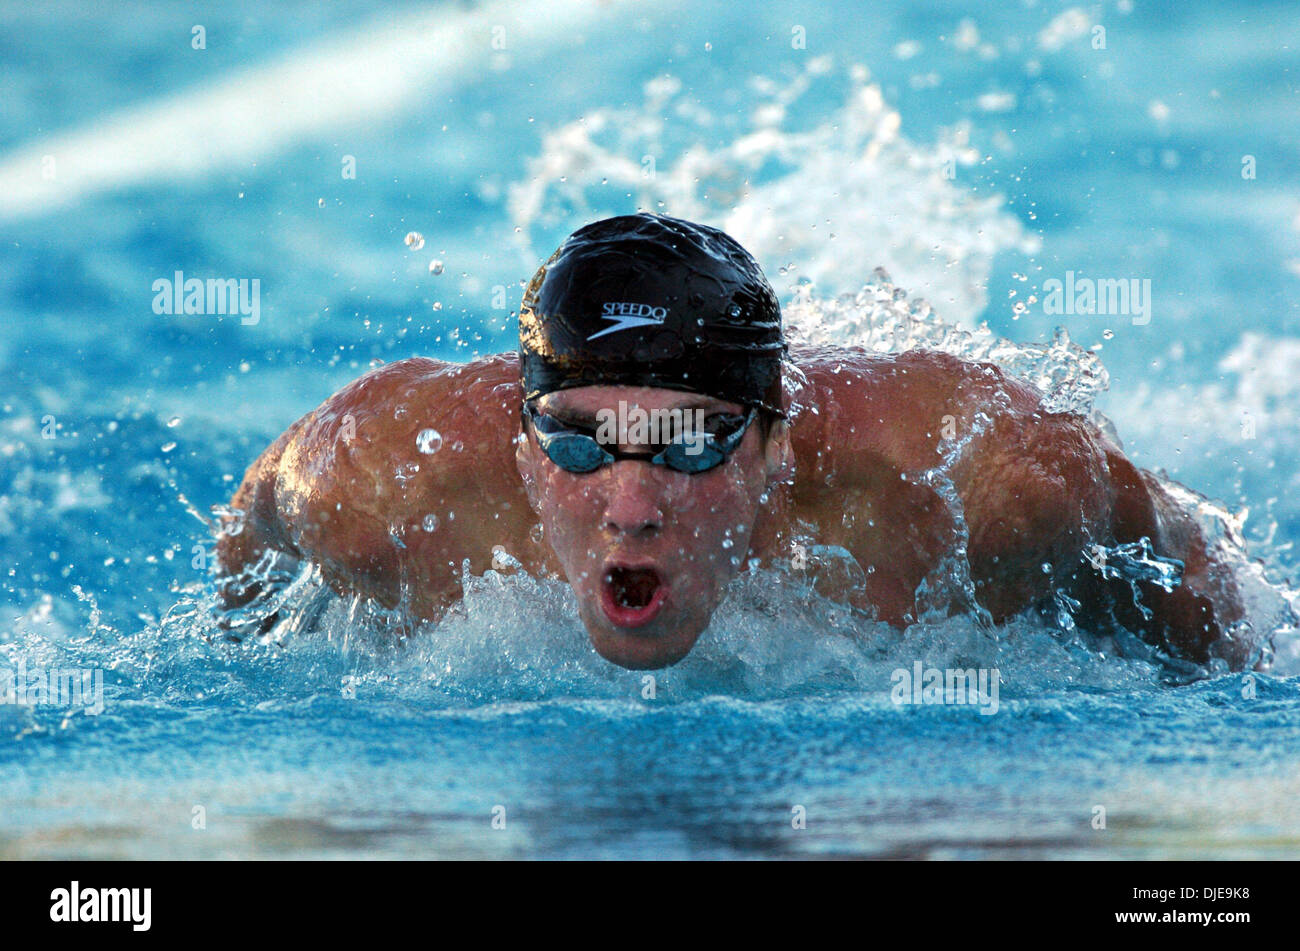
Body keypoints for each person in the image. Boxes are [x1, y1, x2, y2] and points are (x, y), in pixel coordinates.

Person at [215, 212, 1260, 671]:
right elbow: (248, 539)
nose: (629, 503)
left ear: (772, 446)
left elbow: (1173, 555)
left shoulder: (970, 482)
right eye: (581, 448)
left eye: (686, 445)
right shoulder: (374, 483)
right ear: (524, 451)